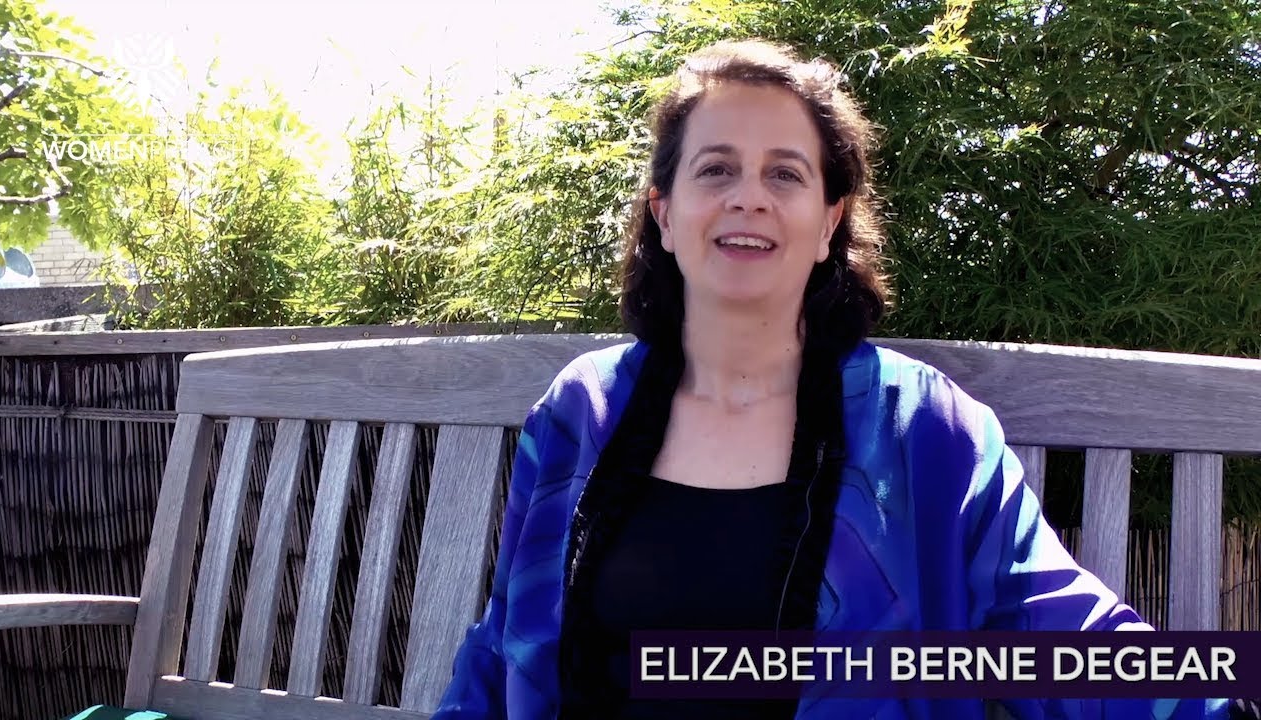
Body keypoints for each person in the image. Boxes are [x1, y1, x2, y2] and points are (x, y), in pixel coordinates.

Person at [433, 40, 1244, 719]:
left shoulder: (925, 430)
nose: (749, 197)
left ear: (828, 223)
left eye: (785, 174)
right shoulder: (583, 409)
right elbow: (505, 633)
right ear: (665, 213)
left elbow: (1054, 625)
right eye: (716, 170)